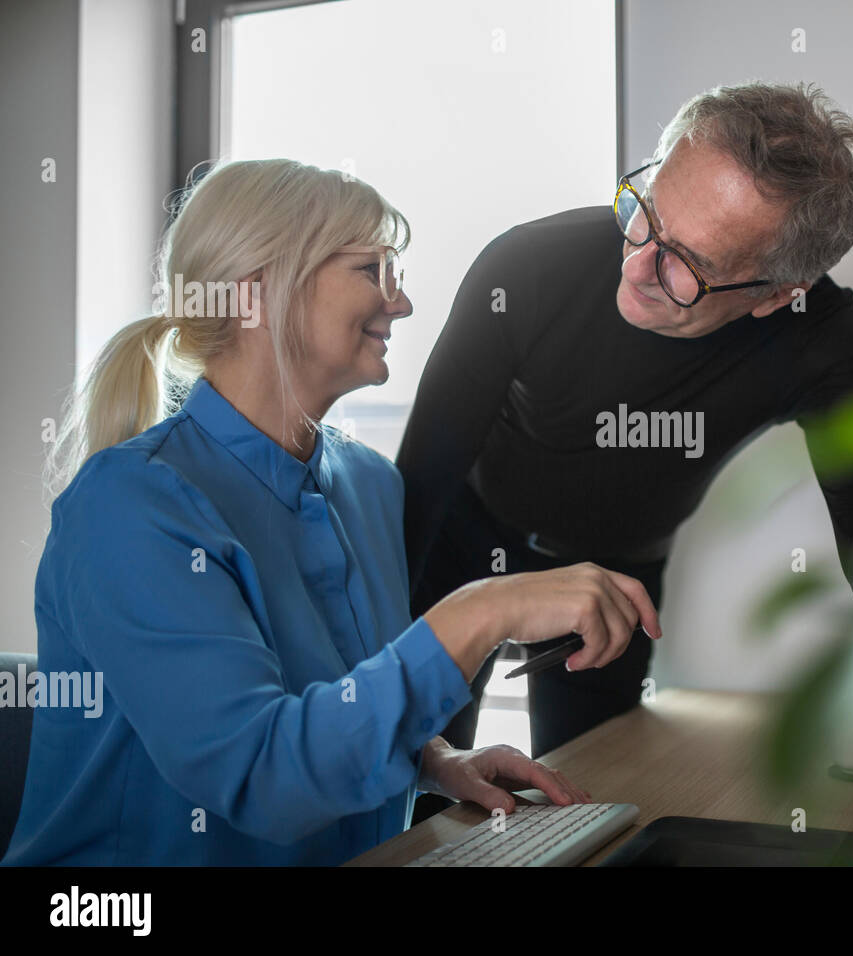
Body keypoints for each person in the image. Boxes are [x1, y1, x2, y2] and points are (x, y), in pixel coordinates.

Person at [0, 159, 658, 867]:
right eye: (372, 270)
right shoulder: (128, 507)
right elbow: (262, 776)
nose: (400, 303)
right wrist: (482, 611)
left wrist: (434, 758)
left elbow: (332, 703)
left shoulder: (369, 483)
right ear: (256, 293)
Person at [396, 82, 853, 763]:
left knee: (590, 794)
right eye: (646, 213)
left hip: (617, 578)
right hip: (461, 544)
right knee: (420, 782)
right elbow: (415, 489)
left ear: (779, 294)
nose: (638, 264)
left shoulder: (820, 341)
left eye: (689, 265)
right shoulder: (526, 269)